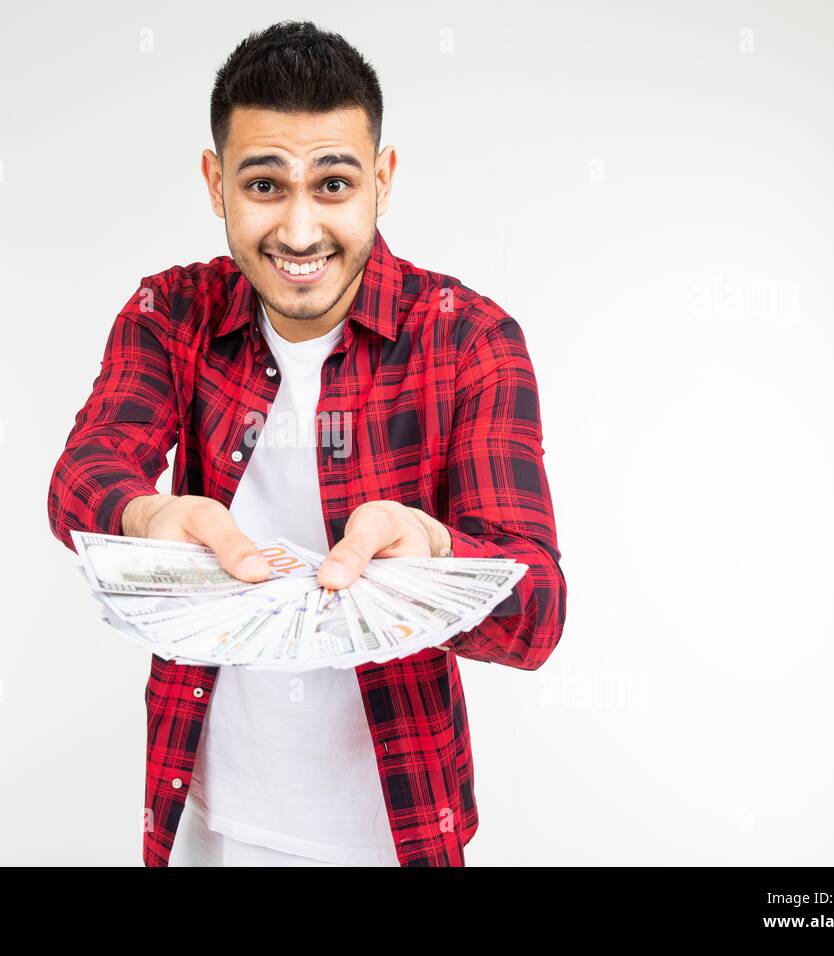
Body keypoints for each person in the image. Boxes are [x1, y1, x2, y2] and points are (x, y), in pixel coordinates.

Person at [47, 20, 567, 867]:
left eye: (332, 183)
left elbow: (537, 613)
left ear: (382, 180)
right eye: (263, 184)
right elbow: (81, 479)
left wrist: (432, 552)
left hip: (393, 834)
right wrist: (146, 517)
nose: (297, 231)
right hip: (202, 824)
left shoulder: (470, 339)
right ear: (216, 181)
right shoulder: (170, 314)